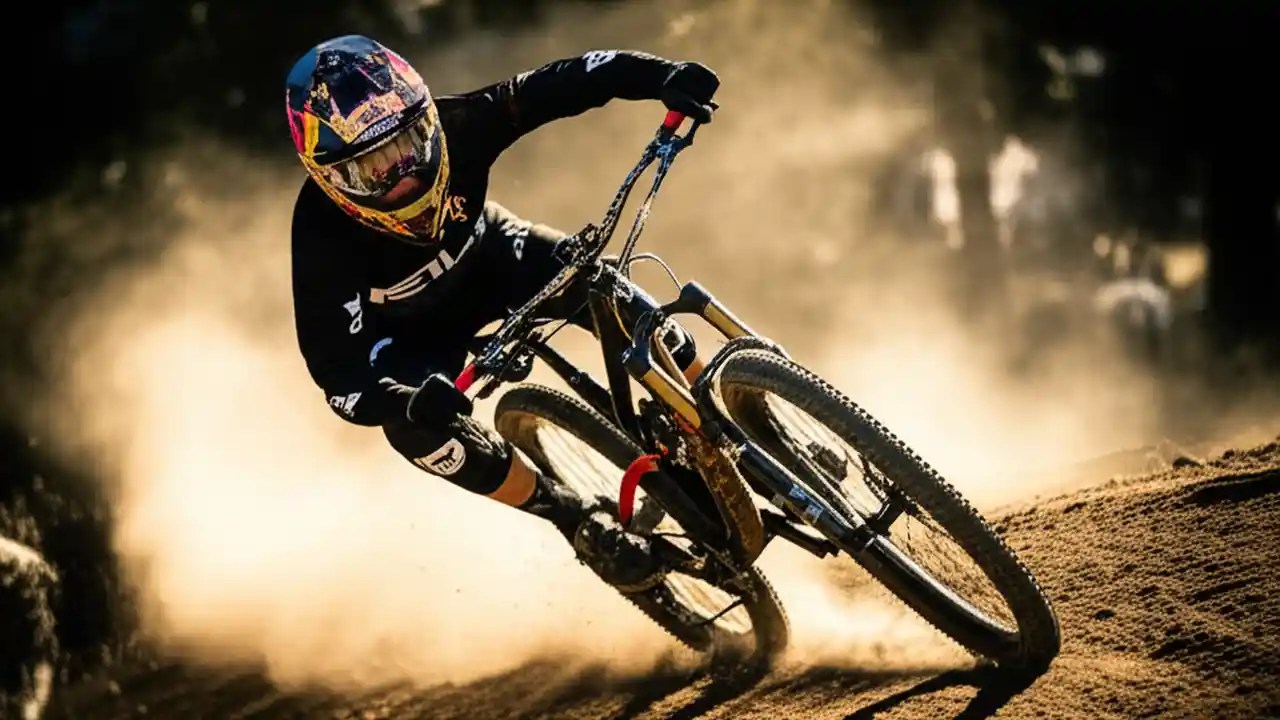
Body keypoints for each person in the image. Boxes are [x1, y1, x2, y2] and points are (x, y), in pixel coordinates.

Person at [286, 35, 719, 590]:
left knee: (611, 292)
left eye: (411, 147)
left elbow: (568, 80)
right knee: (415, 433)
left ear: (429, 121)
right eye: (374, 170)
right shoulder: (320, 234)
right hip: (416, 338)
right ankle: (569, 513)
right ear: (331, 180)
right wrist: (407, 400)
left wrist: (662, 76)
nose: (405, 178)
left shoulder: (462, 123)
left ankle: (737, 429)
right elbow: (338, 375)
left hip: (497, 256)